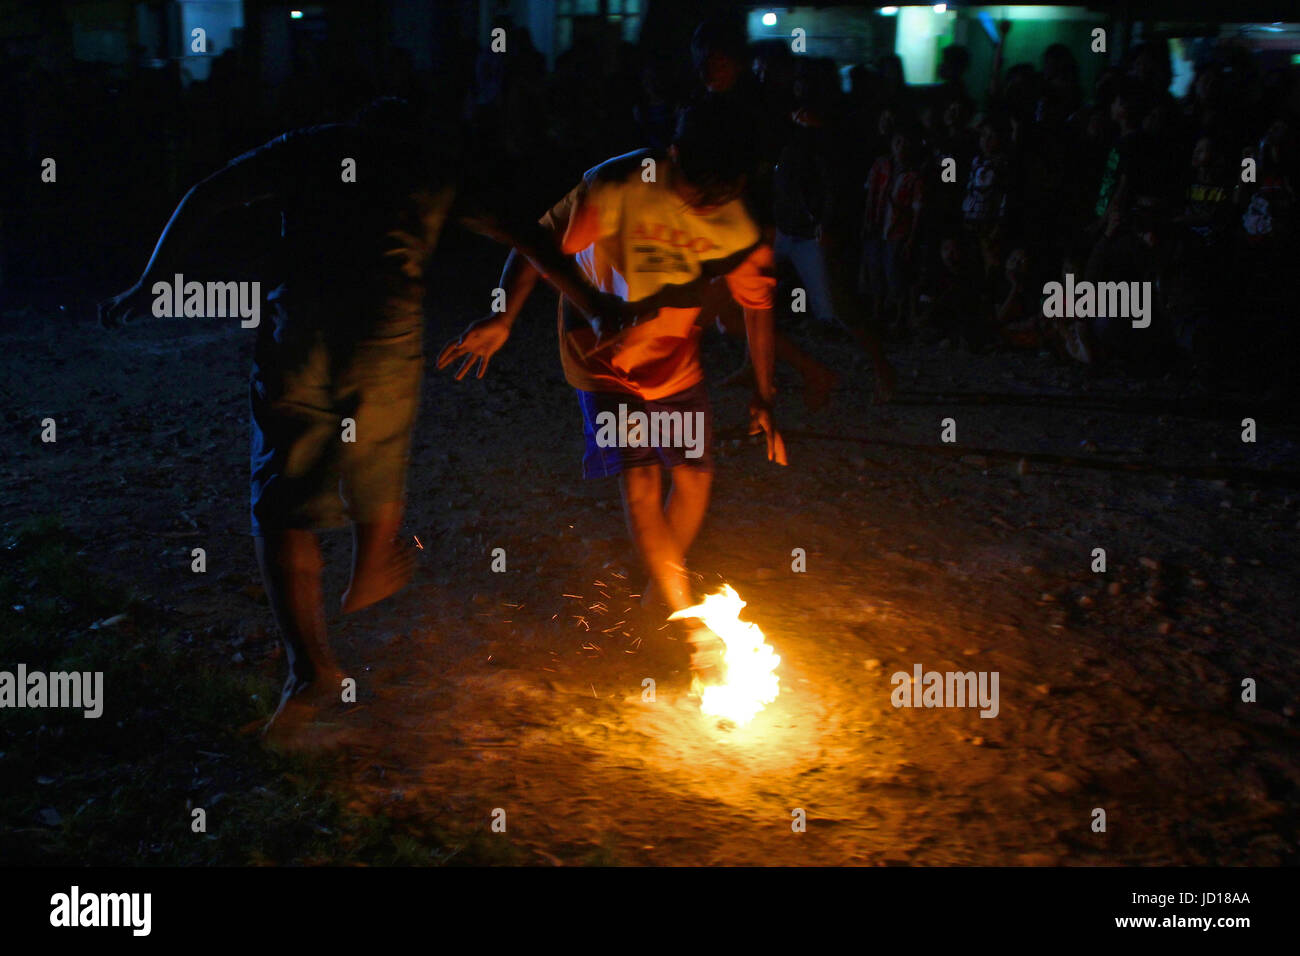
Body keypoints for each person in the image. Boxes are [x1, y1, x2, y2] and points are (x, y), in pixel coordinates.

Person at [98, 98, 629, 741]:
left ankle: (310, 670)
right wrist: (591, 302)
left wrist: (152, 280)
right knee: (376, 453)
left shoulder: (308, 147)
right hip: (382, 337)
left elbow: (206, 194)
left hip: (303, 334)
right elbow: (528, 234)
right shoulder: (428, 165)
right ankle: (371, 564)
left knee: (282, 502)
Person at [437, 100, 787, 677]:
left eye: (720, 193)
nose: (704, 203)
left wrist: (764, 392)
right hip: (601, 359)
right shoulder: (618, 184)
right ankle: (686, 624)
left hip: (674, 361)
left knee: (694, 480)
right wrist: (502, 316)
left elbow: (758, 305)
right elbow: (536, 242)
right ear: (674, 153)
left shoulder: (739, 225)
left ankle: (658, 599)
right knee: (642, 483)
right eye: (697, 187)